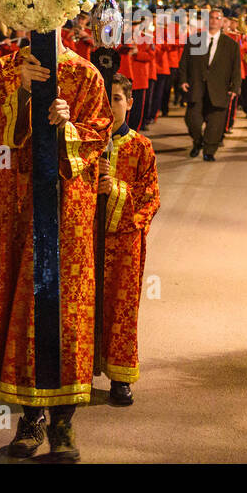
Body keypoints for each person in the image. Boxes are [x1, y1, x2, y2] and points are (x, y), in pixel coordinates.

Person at [0, 29, 113, 462]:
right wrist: (20, 97)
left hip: (64, 214)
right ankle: (30, 417)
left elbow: (99, 133)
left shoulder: (86, 74)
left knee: (65, 312)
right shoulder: (4, 69)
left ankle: (64, 425)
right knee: (22, 308)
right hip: (18, 211)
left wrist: (68, 125)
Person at [95, 74, 160, 406]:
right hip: (88, 240)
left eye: (117, 99)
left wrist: (115, 190)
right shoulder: (86, 143)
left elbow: (150, 199)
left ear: (130, 103)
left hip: (124, 243)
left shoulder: (141, 146)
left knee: (121, 308)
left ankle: (120, 376)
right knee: (84, 307)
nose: (110, 106)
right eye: (105, 99)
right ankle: (79, 371)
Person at [176, 8, 241, 162]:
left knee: (215, 123)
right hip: (197, 87)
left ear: (222, 22)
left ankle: (209, 151)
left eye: (217, 18)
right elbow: (184, 62)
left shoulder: (231, 45)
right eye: (211, 17)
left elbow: (236, 68)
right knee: (192, 120)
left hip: (219, 89)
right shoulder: (194, 39)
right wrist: (183, 80)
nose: (214, 21)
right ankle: (197, 142)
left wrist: (235, 87)